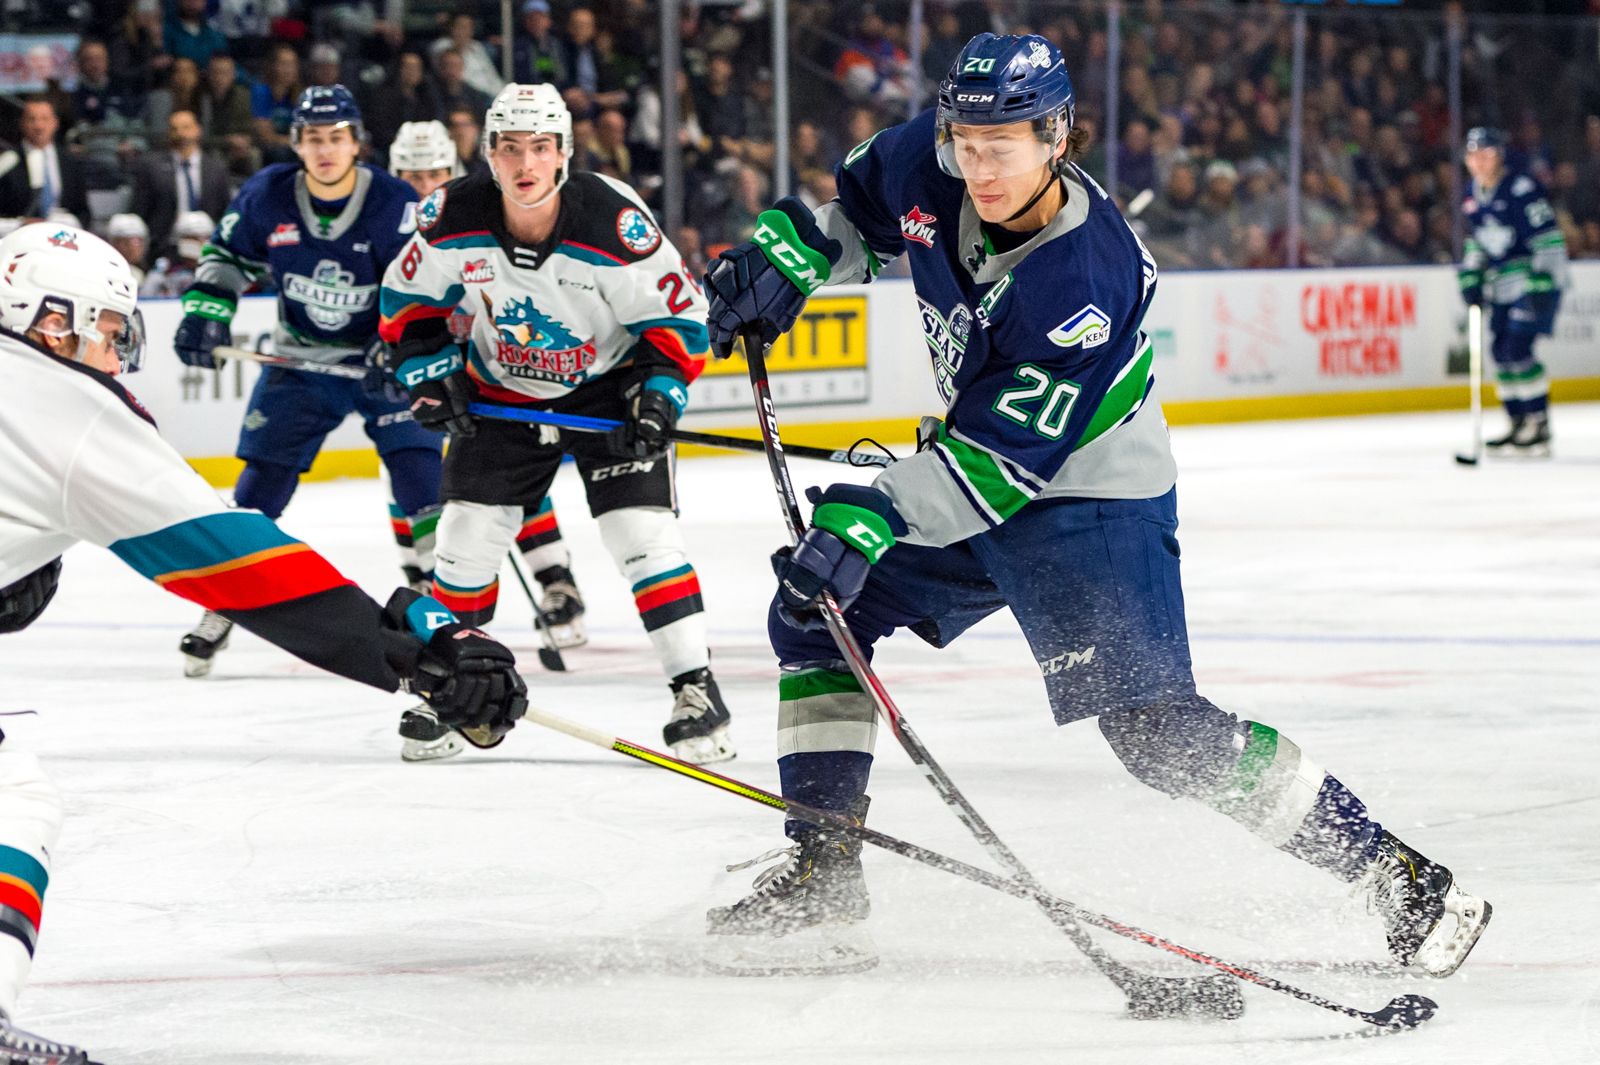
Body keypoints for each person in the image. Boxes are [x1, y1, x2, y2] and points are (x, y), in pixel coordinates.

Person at [699, 33, 1493, 979]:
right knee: (820, 615)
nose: (978, 163)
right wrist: (790, 254)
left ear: (1057, 136)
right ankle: (825, 871)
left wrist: (869, 516)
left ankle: (1399, 877)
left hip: (1090, 496)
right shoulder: (933, 154)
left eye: (1004, 143)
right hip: (976, 457)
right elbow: (858, 215)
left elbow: (999, 469)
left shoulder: (1083, 276)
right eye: (965, 139)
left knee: (1160, 735)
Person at [0, 221, 525, 1065]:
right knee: (12, 799)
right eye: (100, 327)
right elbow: (236, 557)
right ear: (44, 320)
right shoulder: (68, 409)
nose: (111, 348)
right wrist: (415, 651)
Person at [377, 84, 735, 767]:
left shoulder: (611, 220)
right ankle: (453, 689)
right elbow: (407, 303)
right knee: (462, 540)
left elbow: (679, 319)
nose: (524, 164)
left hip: (606, 391)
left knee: (641, 534)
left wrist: (658, 395)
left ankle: (696, 689)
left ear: (564, 153)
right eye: (509, 148)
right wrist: (427, 370)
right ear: (487, 154)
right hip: (503, 392)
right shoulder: (452, 215)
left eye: (540, 147)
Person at [170, 86, 442, 697]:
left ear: (356, 142)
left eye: (336, 137)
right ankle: (226, 602)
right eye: (313, 138)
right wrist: (206, 311)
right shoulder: (267, 193)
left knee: (423, 485)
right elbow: (226, 255)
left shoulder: (395, 203)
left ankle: (437, 606)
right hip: (300, 360)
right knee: (258, 489)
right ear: (297, 143)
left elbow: (423, 287)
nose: (325, 149)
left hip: (383, 368)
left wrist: (399, 344)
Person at [1460, 126, 1568, 455]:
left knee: (1517, 349)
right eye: (1473, 155)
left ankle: (1540, 424)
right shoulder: (1472, 195)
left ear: (1500, 155)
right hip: (1502, 286)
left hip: (1533, 281)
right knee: (1500, 353)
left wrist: (1542, 278)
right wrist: (1471, 275)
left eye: (1487, 154)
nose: (1479, 161)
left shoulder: (1521, 190)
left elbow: (1549, 237)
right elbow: (1478, 241)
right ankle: (1518, 423)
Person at [129, 110, 232, 266]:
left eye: (186, 127)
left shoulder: (216, 168)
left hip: (207, 248)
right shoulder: (152, 168)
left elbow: (226, 212)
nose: (180, 134)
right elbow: (140, 211)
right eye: (174, 129)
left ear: (198, 130)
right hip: (165, 250)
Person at [0, 99, 89, 222]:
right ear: (22, 123)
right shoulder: (8, 161)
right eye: (32, 119)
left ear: (55, 123)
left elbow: (83, 213)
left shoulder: (71, 163)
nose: (38, 126)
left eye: (44, 119)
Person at [140, 209, 213, 297]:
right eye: (193, 239)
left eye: (205, 239)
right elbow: (146, 296)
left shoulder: (215, 269)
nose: (200, 245)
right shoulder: (165, 268)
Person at [106, 212, 149, 286]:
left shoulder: (146, 274)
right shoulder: (107, 272)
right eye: (126, 243)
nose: (133, 248)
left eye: (139, 241)